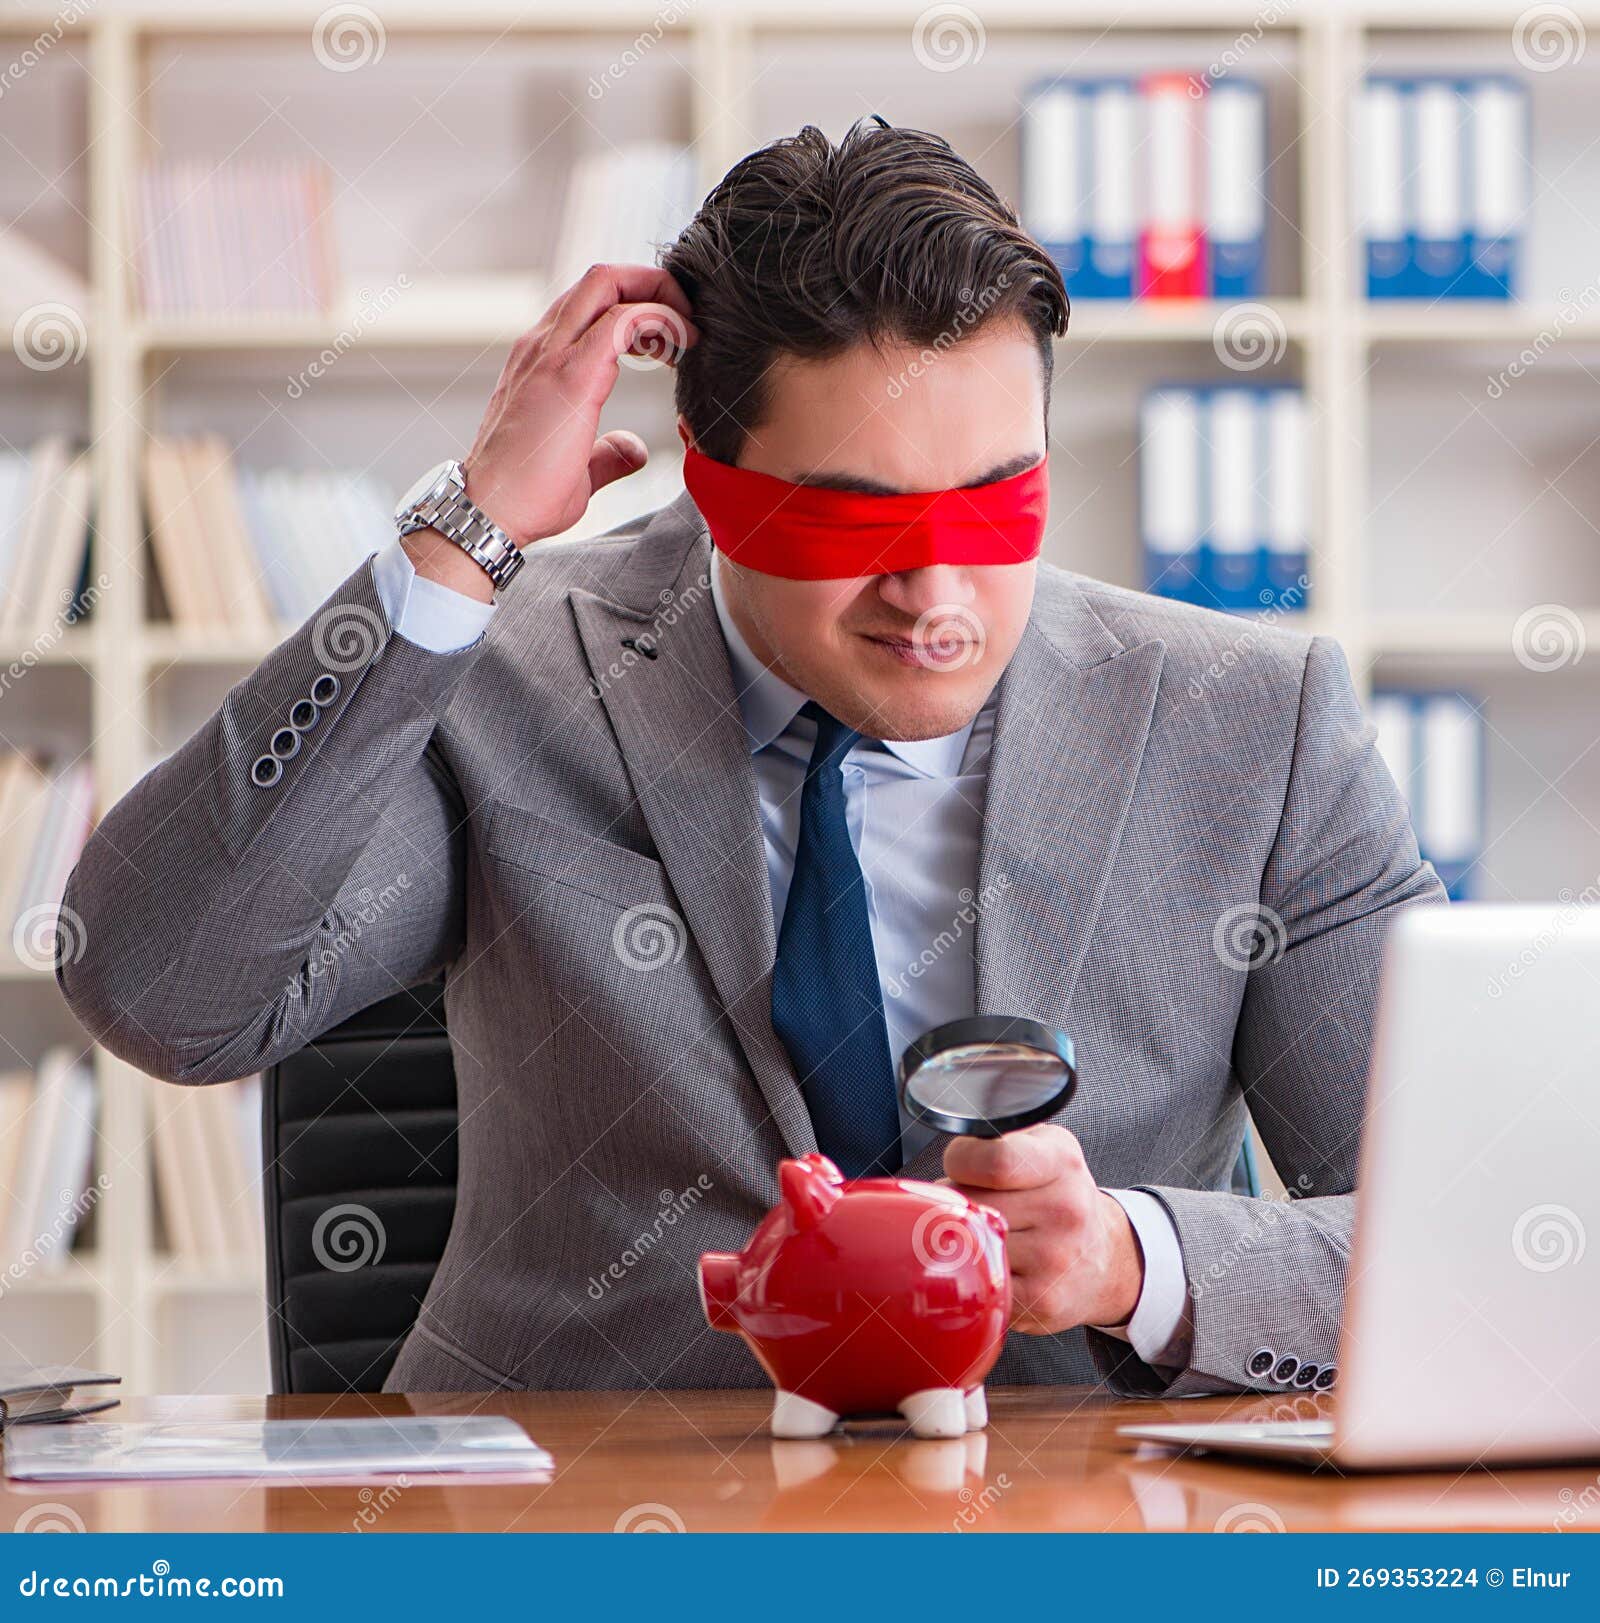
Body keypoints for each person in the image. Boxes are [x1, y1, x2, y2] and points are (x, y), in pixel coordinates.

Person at [59, 119, 1444, 1397]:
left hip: (1070, 1526)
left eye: (993, 499)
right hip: (581, 1519)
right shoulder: (501, 681)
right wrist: (461, 539)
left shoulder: (1251, 727)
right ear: (708, 481)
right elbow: (165, 993)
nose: (937, 596)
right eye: (850, 526)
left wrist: (1141, 1261)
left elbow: (1476, 1245)